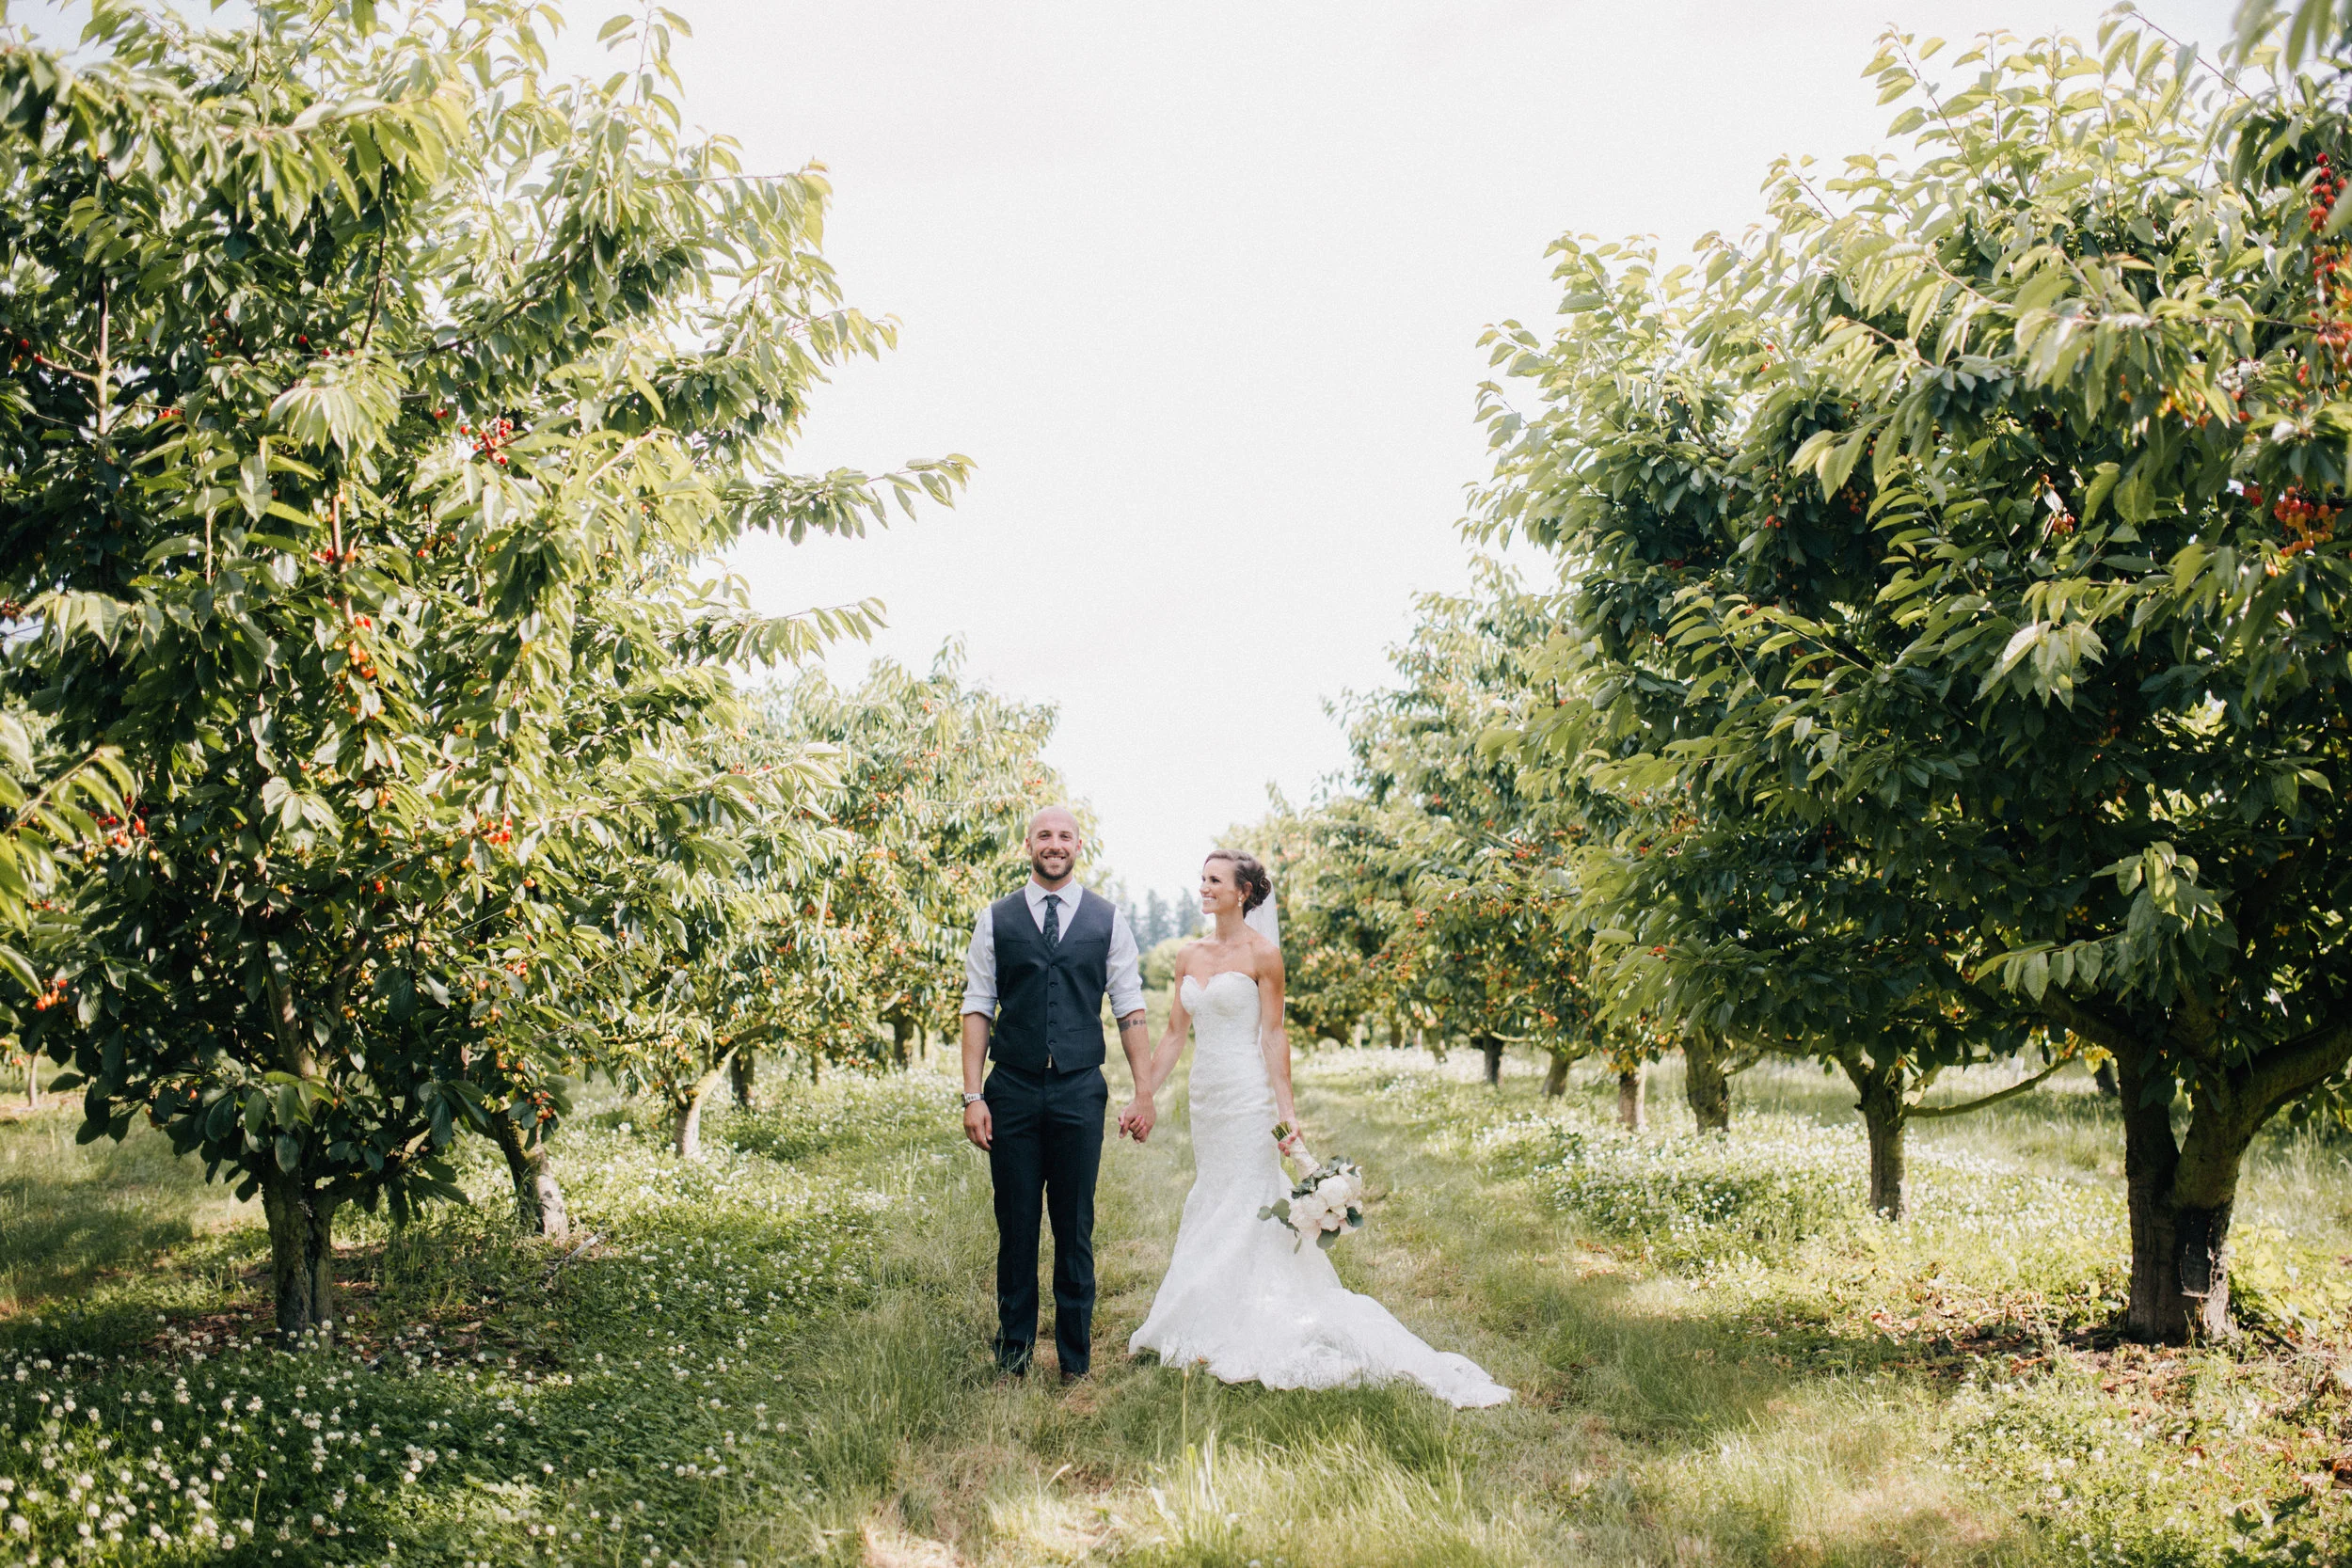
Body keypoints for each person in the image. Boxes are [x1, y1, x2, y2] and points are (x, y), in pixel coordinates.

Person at [1123, 848, 1511, 1407]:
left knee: (1247, 1198)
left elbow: (1273, 1036)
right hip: (1206, 1100)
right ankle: (1208, 1309)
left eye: (1214, 880)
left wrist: (1287, 1112)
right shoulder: (1188, 955)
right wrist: (1143, 1095)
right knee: (1213, 1195)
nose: (1203, 887)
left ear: (1243, 892)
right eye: (1201, 878)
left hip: (1247, 1096)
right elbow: (1173, 1037)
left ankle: (1250, 1317)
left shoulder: (1264, 956)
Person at [960, 806, 1152, 1381]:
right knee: (1015, 1226)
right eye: (1044, 835)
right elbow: (977, 1007)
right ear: (1028, 845)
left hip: (1078, 1092)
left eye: (1064, 836)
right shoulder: (994, 919)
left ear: (1078, 845)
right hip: (1012, 1091)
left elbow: (1130, 1006)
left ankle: (1075, 1362)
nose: (1055, 844)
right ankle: (1013, 1356)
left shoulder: (1108, 920)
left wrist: (1144, 1092)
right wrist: (973, 1096)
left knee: (1074, 1228)